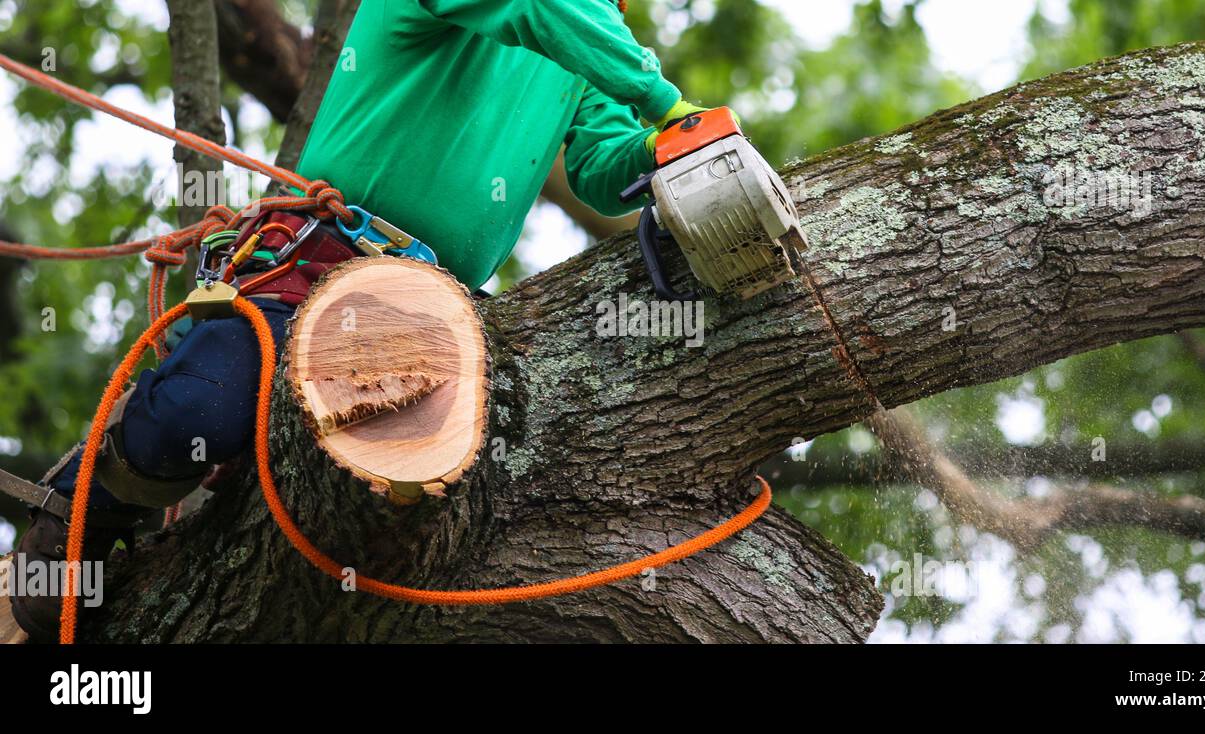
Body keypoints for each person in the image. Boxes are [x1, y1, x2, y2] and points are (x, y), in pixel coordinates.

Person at [9, 0, 723, 642]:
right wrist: (667, 102)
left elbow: (600, 162)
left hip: (434, 308)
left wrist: (667, 146)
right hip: (314, 261)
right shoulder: (562, 19)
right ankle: (85, 506)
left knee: (428, 507)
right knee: (200, 413)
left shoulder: (598, 37)